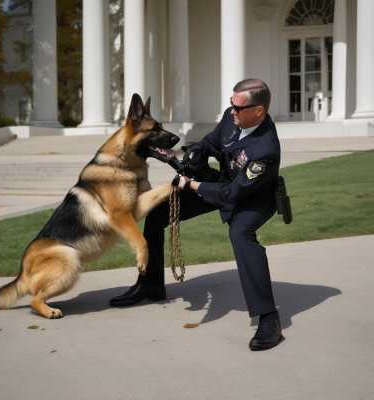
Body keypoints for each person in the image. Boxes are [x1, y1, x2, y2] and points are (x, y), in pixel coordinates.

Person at [110, 78, 283, 351]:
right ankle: (151, 285)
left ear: (258, 111)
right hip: (223, 183)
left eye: (238, 108)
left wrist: (191, 185)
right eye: (231, 105)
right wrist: (198, 151)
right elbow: (214, 141)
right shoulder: (232, 117)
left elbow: (232, 195)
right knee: (156, 214)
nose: (232, 111)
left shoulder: (266, 150)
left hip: (253, 197)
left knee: (241, 233)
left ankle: (269, 318)